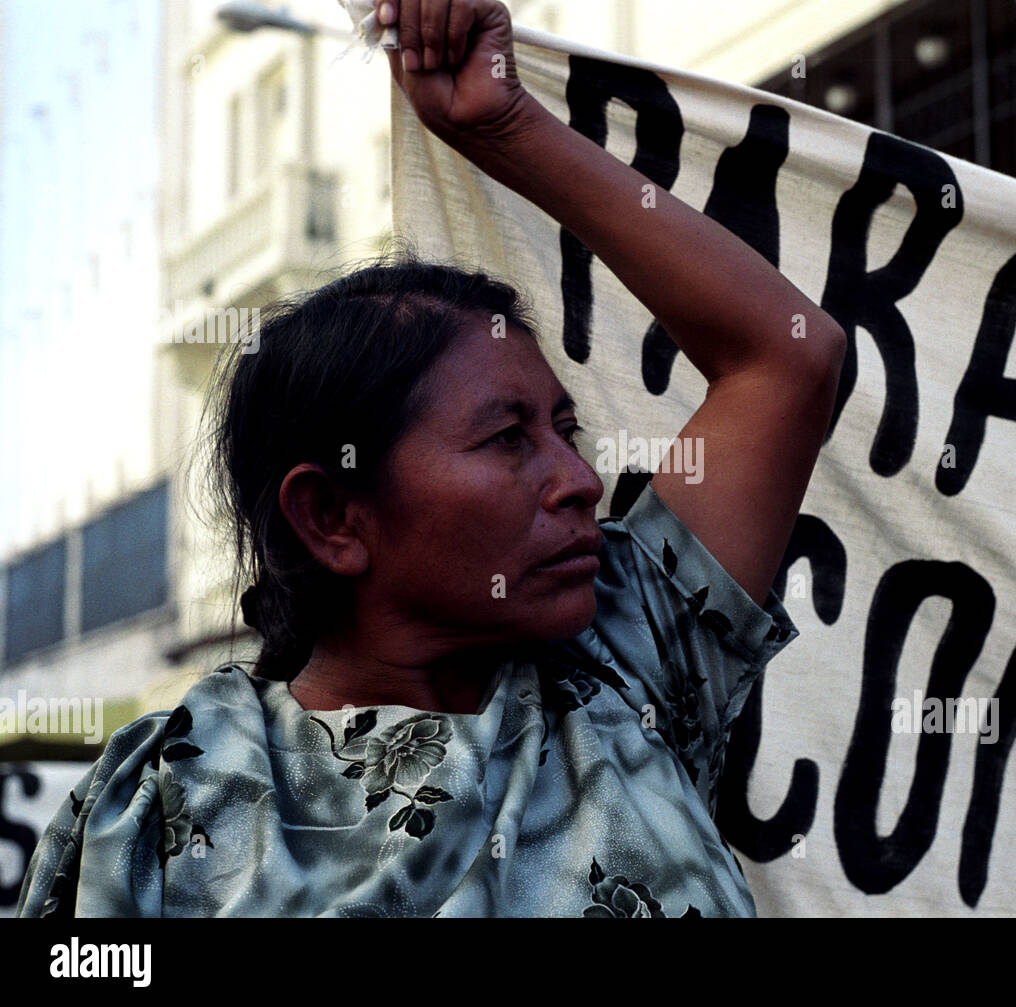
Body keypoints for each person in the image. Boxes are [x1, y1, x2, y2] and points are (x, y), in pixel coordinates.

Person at [17, 0, 845, 917]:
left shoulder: (625, 658)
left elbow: (791, 356)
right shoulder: (164, 796)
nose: (578, 482)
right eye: (505, 439)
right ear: (331, 518)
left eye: (562, 433)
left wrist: (503, 124)